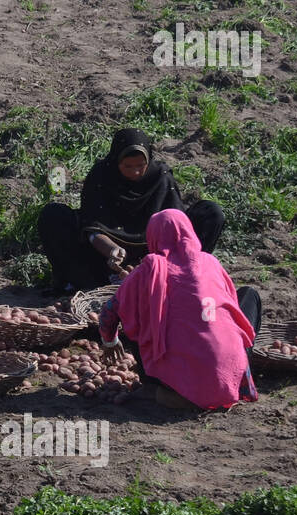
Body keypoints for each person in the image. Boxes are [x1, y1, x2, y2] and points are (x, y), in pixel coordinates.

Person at [97, 209, 261, 411]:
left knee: (134, 309)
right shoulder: (211, 263)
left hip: (173, 378)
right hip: (228, 374)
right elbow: (231, 307)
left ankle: (159, 390)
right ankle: (235, 374)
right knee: (247, 296)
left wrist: (110, 341)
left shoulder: (149, 269)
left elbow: (109, 312)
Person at [38, 127, 224, 293]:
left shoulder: (160, 178)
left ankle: (179, 280)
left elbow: (176, 228)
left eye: (140, 166)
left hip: (156, 258)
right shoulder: (102, 176)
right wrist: (112, 251)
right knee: (54, 215)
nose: (135, 172)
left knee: (210, 213)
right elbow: (92, 227)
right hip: (103, 258)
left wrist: (149, 264)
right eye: (127, 166)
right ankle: (88, 285)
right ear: (116, 160)